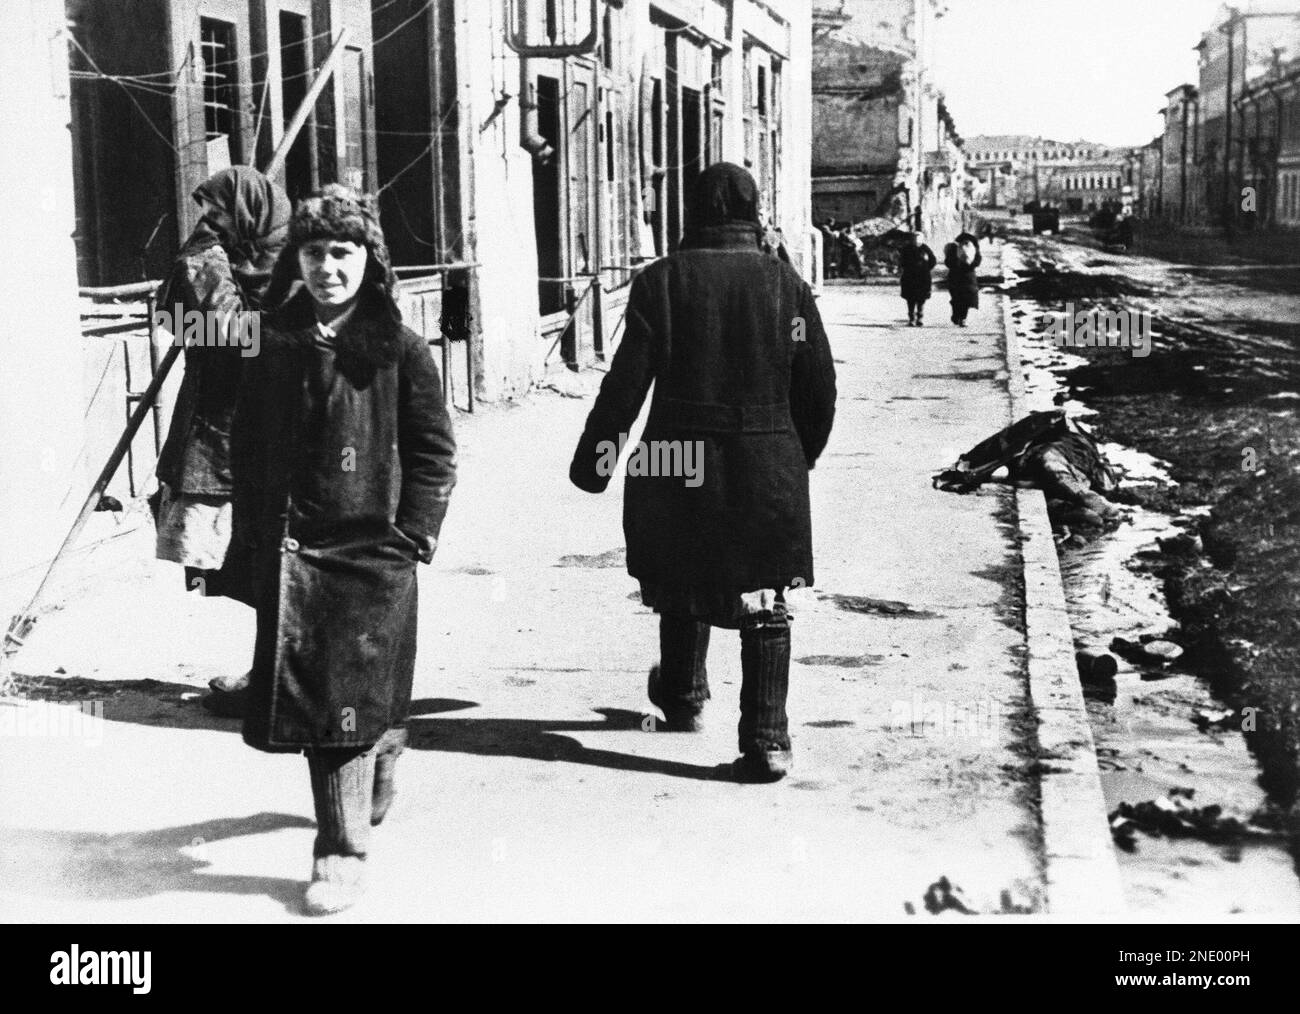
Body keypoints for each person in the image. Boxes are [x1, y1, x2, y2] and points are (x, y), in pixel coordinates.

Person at [569, 163, 837, 783]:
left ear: (692, 211)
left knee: (680, 567)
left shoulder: (660, 283)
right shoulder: (786, 288)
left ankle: (685, 696)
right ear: (753, 209)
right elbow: (817, 385)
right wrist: (798, 456)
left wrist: (597, 461)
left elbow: (626, 385)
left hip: (676, 456)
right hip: (765, 460)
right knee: (765, 594)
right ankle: (768, 739)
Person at [229, 186, 457, 915]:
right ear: (296, 258)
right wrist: (255, 536)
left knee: (349, 708)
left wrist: (413, 533)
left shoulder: (400, 349)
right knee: (324, 711)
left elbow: (434, 454)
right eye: (314, 252)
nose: (328, 268)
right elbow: (248, 444)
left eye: (343, 253)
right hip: (296, 555)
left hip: (370, 556)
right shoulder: (272, 343)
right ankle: (359, 802)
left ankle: (343, 850)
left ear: (370, 260)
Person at [153, 167, 291, 717]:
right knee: (236, 560)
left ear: (250, 212)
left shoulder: (299, 263)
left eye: (217, 213)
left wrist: (207, 274)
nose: (207, 223)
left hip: (273, 429)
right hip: (218, 423)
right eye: (203, 214)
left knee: (278, 559)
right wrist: (200, 274)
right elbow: (173, 320)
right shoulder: (228, 257)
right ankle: (271, 670)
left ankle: (281, 680)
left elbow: (245, 337)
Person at [944, 231, 983, 327]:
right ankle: (956, 316)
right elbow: (948, 262)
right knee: (956, 298)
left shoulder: (973, 249)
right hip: (956, 277)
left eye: (968, 241)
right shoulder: (954, 248)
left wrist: (970, 264)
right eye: (964, 241)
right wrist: (957, 263)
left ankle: (963, 319)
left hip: (967, 278)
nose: (966, 243)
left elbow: (978, 261)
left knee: (966, 299)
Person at [898, 231, 937, 327]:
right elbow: (901, 261)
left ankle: (920, 318)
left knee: (921, 298)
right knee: (910, 298)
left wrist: (926, 268)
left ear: (922, 239)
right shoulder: (906, 249)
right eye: (915, 238)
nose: (916, 240)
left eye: (918, 238)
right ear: (912, 239)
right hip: (909, 276)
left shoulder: (925, 248)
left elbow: (933, 260)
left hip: (923, 277)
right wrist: (907, 268)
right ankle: (911, 318)